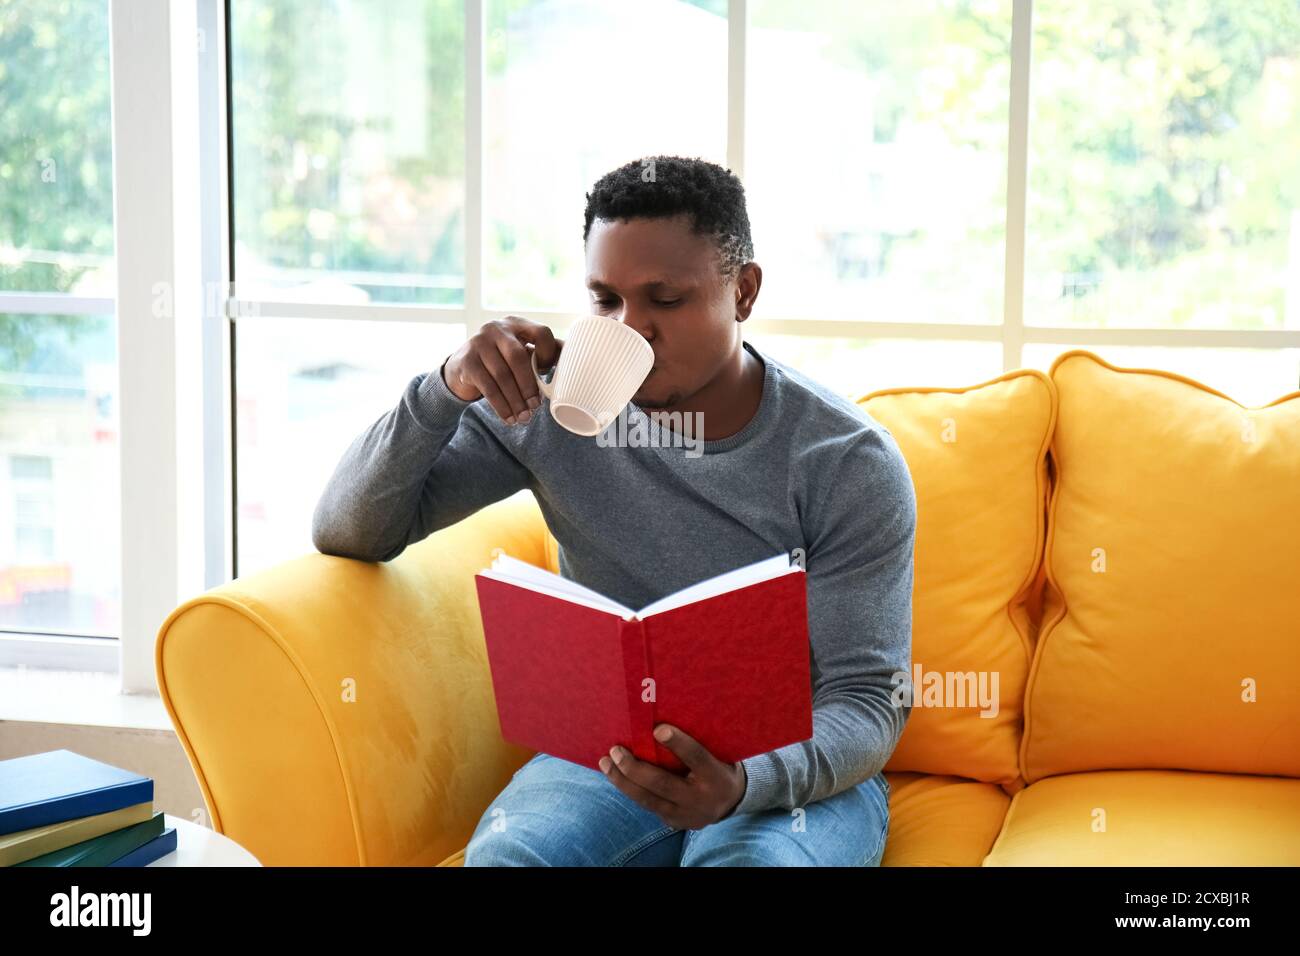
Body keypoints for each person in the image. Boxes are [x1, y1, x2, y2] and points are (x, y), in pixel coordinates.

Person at [311, 155, 917, 866]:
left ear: (744, 291)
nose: (633, 330)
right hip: (607, 760)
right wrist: (443, 387)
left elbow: (868, 698)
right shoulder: (551, 408)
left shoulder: (844, 460)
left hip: (791, 775)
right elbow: (348, 529)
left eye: (665, 300)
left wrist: (747, 783)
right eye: (606, 302)